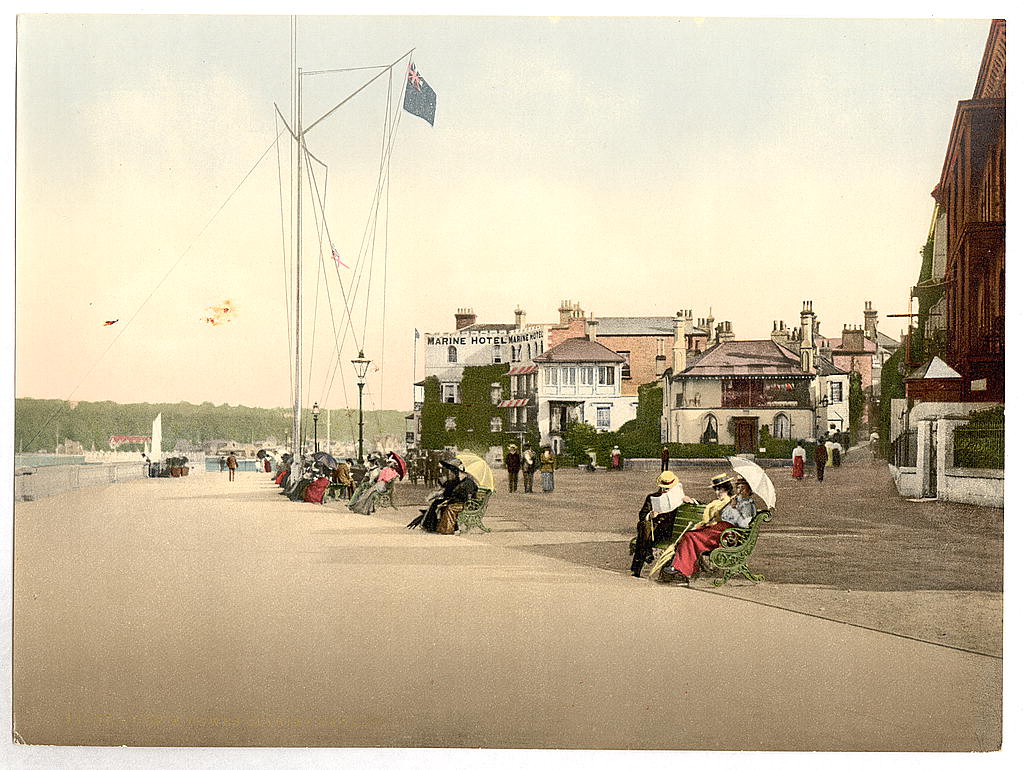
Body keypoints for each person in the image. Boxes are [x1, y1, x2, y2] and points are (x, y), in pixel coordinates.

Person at [657, 473, 737, 585]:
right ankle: (677, 568)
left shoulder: (730, 503)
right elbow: (708, 513)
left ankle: (682, 571)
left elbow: (726, 518)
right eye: (716, 489)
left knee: (689, 537)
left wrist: (727, 507)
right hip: (712, 530)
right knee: (687, 537)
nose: (717, 492)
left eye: (720, 490)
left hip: (720, 534)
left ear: (727, 489)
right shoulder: (718, 502)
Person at [630, 471, 699, 577]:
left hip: (667, 532)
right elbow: (642, 514)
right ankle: (647, 552)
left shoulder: (678, 497)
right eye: (664, 488)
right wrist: (651, 515)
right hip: (652, 531)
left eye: (668, 488)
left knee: (643, 529)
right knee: (644, 525)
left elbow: (700, 504)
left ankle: (641, 562)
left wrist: (690, 500)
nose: (665, 490)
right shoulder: (652, 497)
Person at [407, 458, 478, 535]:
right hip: (456, 501)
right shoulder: (459, 481)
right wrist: (444, 485)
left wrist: (447, 497)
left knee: (440, 505)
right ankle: (430, 525)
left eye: (453, 472)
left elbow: (462, 495)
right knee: (436, 503)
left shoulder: (467, 483)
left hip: (461, 503)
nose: (451, 473)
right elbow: (449, 490)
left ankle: (439, 527)